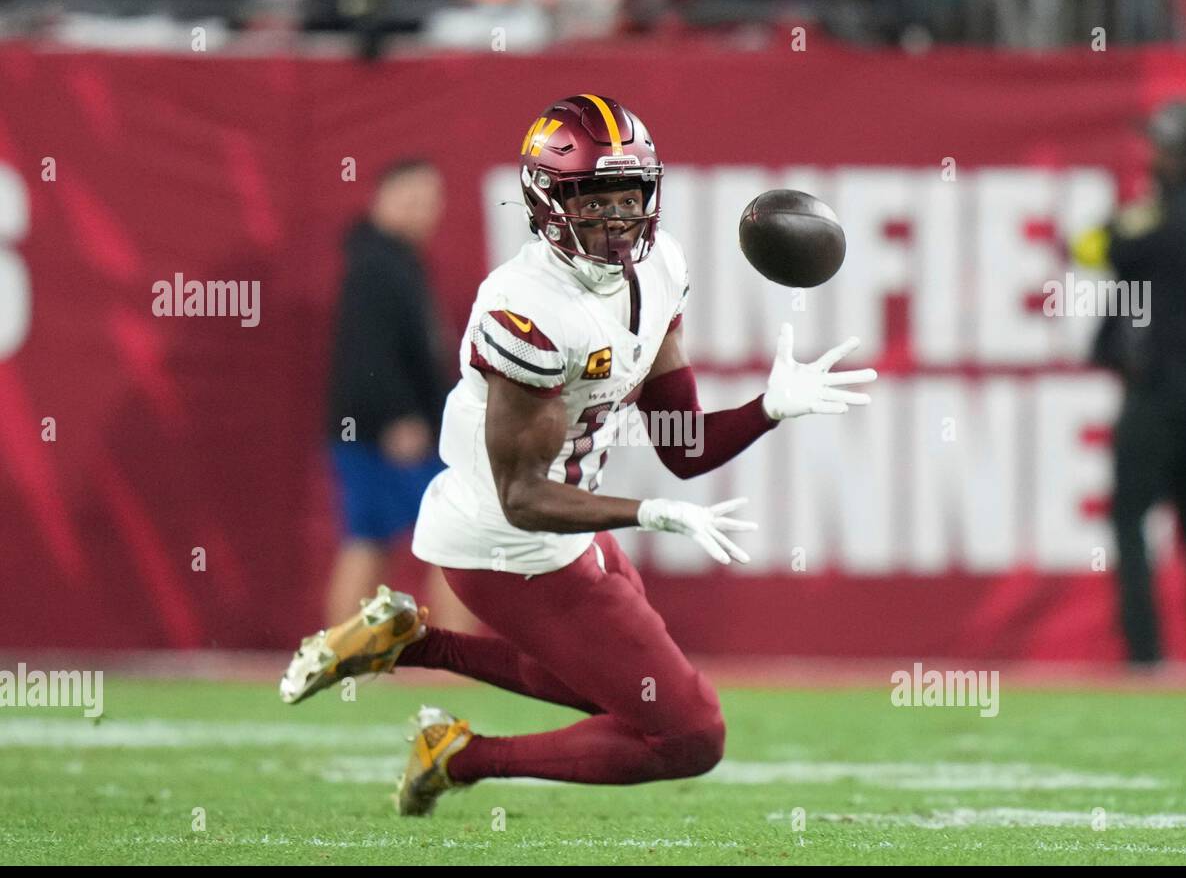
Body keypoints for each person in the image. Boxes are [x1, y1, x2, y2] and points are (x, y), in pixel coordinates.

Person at [283, 95, 875, 816]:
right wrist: (647, 513)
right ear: (547, 200)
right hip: (502, 541)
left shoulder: (659, 269)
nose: (616, 217)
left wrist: (768, 408)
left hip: (566, 526)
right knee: (690, 735)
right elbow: (522, 497)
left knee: (625, 693)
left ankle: (409, 643)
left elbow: (682, 447)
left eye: (629, 195)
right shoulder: (526, 307)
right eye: (592, 198)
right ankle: (461, 755)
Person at [1074, 99, 1186, 666]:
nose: (1152, 158)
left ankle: (1145, 659)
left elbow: (1094, 248)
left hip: (1161, 389)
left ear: (1178, 158)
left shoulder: (1164, 216)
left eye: (1161, 150)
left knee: (1129, 516)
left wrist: (1130, 218)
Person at [323, 159, 476, 633]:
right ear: (381, 200)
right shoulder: (377, 266)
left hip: (385, 430)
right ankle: (460, 662)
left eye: (430, 200)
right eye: (411, 198)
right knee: (454, 539)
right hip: (391, 433)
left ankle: (338, 661)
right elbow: (367, 352)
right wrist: (398, 417)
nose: (423, 210)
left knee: (370, 539)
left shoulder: (394, 262)